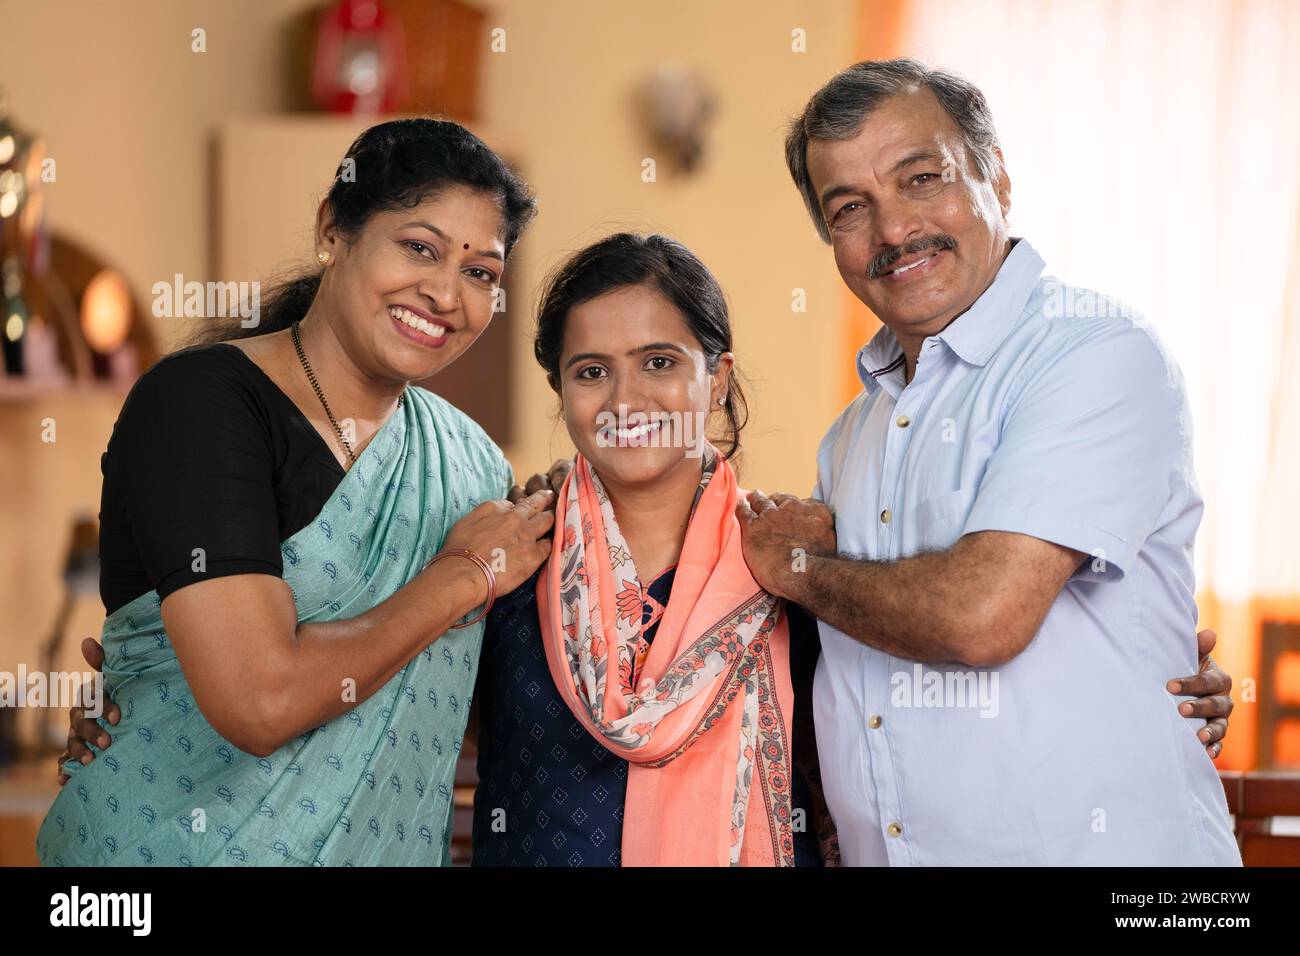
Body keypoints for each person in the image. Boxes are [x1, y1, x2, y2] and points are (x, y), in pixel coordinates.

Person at [732, 58, 1240, 864]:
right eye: (850, 209)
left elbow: (980, 618)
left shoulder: (1095, 353)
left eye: (922, 178)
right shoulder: (852, 434)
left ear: (996, 176)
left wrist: (798, 568)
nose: (894, 231)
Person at [39, 118, 555, 866]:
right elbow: (260, 701)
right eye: (419, 247)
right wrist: (464, 576)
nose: (446, 293)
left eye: (481, 273)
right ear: (333, 231)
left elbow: (474, 719)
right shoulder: (201, 405)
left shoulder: (470, 464)